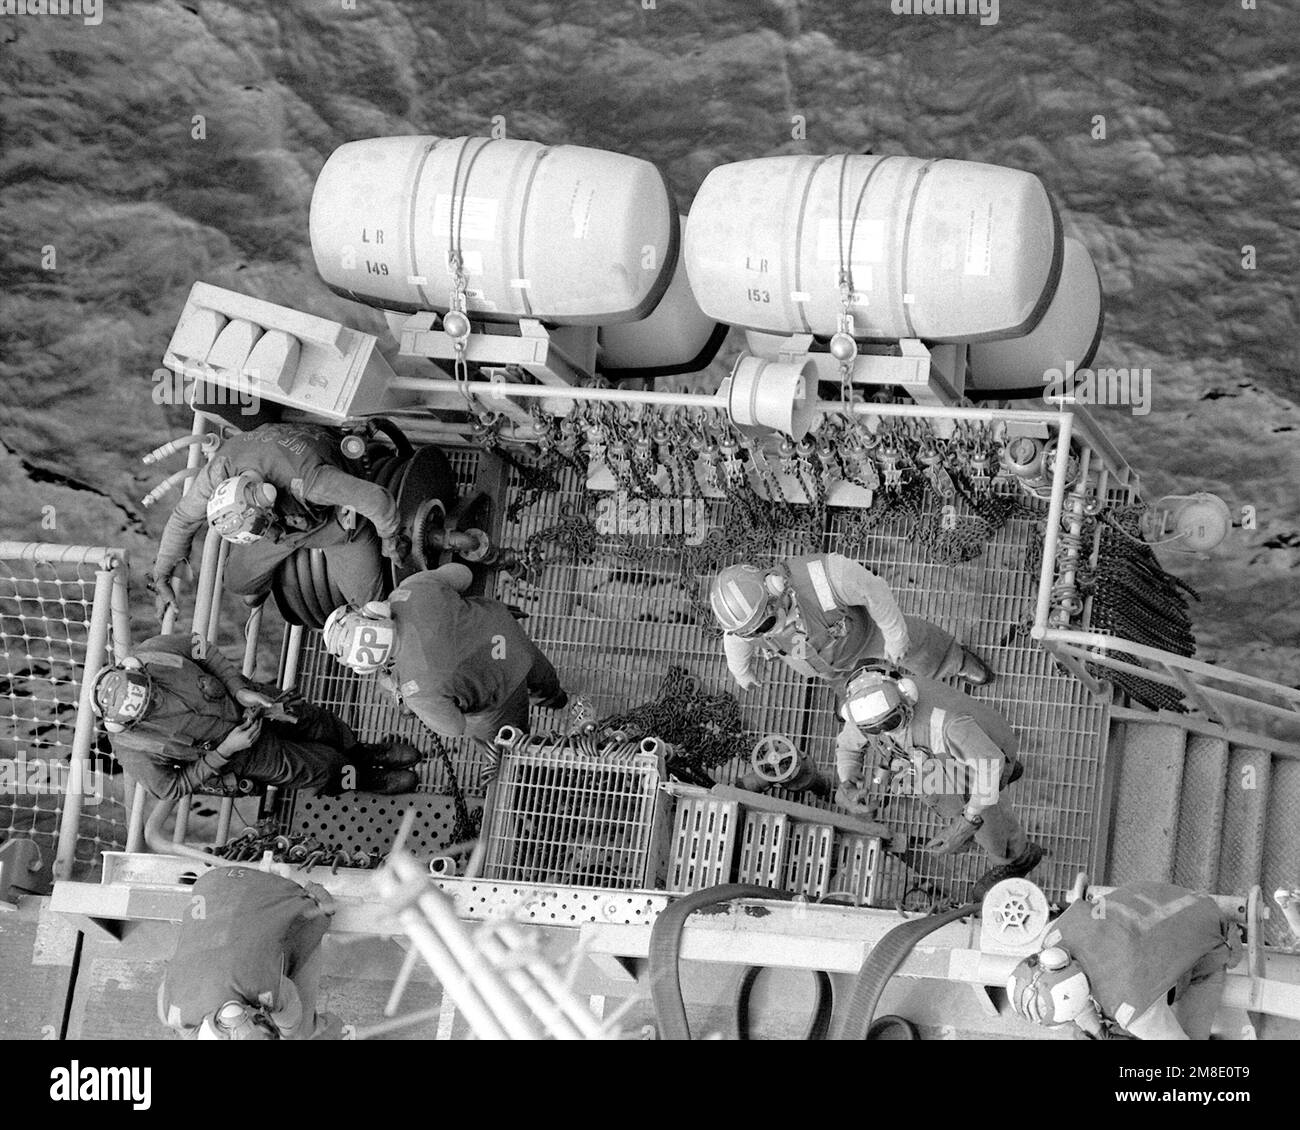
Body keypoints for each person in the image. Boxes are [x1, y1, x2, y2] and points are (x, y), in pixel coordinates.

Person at [93, 632, 420, 799]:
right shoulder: (134, 750)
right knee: (319, 769)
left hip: (257, 701)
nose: (155, 701)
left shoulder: (152, 653)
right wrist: (223, 753)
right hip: (242, 754)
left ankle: (363, 751)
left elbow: (201, 649)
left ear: (136, 673)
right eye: (146, 708)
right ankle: (363, 778)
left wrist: (238, 689)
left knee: (319, 722)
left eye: (150, 692)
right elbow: (170, 788)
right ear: (126, 722)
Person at [149, 422, 409, 620]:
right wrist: (161, 574)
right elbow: (183, 519)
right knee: (236, 582)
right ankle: (273, 569)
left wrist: (390, 539)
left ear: (267, 499)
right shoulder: (219, 471)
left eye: (261, 529)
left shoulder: (309, 482)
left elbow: (378, 501)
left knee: (371, 609)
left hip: (335, 526)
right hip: (280, 530)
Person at [322, 563, 568, 752]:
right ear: (374, 613)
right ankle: (557, 700)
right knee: (539, 674)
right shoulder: (410, 590)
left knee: (500, 737)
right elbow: (463, 575)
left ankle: (523, 753)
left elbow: (454, 727)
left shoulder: (416, 691)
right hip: (508, 636)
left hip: (501, 693)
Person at [834, 665, 1042, 878]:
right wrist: (847, 781)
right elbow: (849, 746)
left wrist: (967, 823)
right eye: (873, 730)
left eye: (892, 722)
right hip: (947, 759)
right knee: (977, 776)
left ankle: (1015, 858)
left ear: (907, 698)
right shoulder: (869, 710)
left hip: (985, 761)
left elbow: (989, 766)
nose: (885, 732)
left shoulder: (948, 724)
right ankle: (1000, 776)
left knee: (992, 825)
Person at [708, 554, 992, 694]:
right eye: (758, 633)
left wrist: (895, 637)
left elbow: (875, 592)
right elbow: (734, 639)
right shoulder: (746, 621)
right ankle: (858, 693)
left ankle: (954, 661)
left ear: (775, 591)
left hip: (866, 633)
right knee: (847, 686)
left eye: (769, 623)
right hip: (824, 664)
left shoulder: (829, 576)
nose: (769, 633)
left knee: (916, 644)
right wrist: (741, 672)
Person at [1006, 881, 1244, 1040]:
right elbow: (1073, 988)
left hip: (1214, 939)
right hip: (1163, 897)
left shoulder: (1131, 1009)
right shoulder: (1053, 936)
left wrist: (1099, 1032)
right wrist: (1098, 1030)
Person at [158, 866, 342, 1040]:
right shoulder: (171, 1013)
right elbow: (172, 975)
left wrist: (282, 1032)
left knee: (301, 1033)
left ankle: (342, 1032)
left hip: (281, 888)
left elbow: (291, 1023)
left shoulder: (266, 990)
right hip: (214, 882)